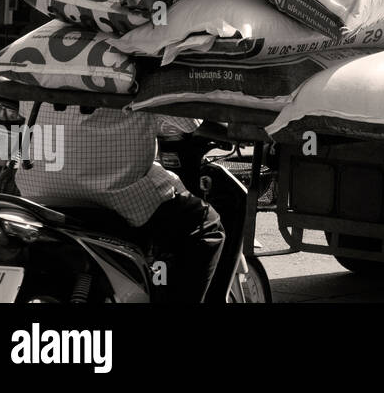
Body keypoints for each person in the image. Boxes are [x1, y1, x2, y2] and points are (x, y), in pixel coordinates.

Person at [15, 102, 226, 303]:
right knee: (205, 224)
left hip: (36, 193)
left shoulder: (34, 64)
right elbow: (188, 122)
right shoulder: (141, 64)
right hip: (112, 197)